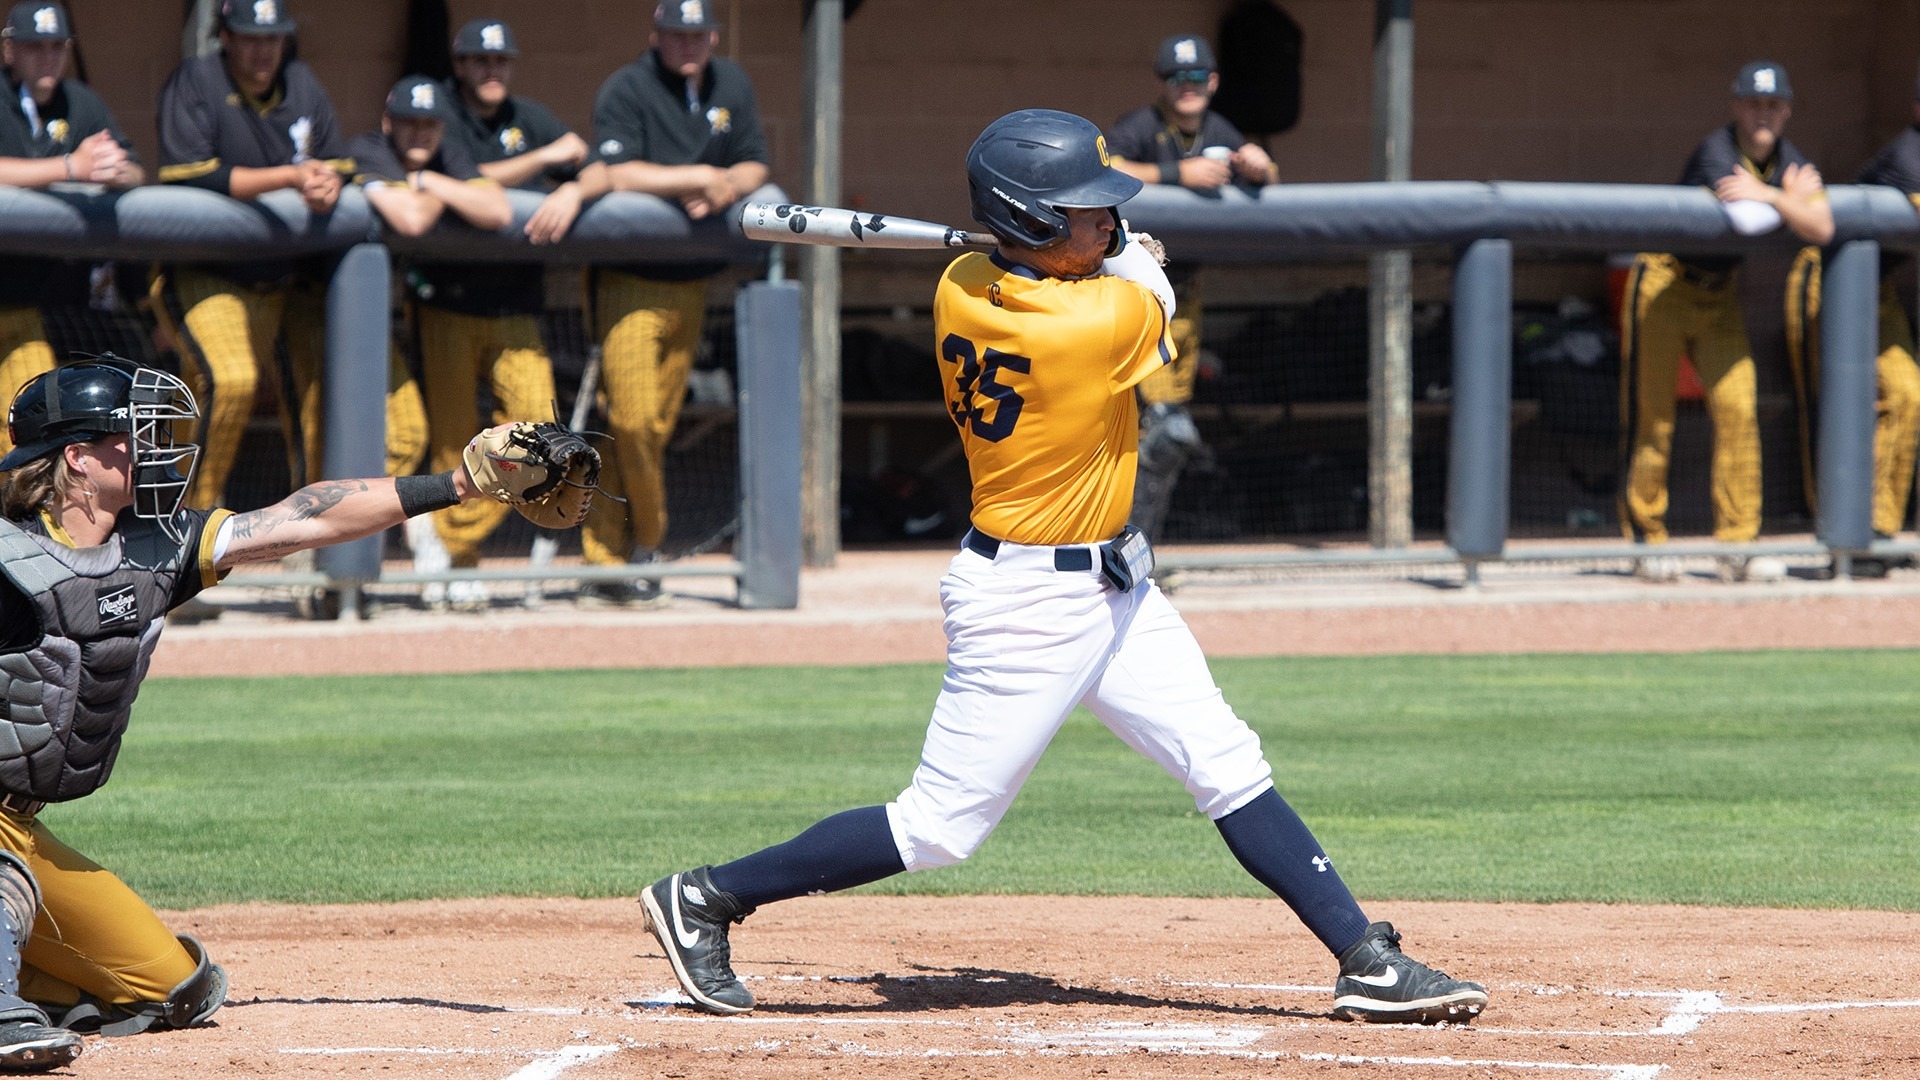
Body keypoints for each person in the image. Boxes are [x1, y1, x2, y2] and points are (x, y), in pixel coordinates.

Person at [639, 109, 1488, 1027]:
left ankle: (1363, 958)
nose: (1106, 220)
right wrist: (1133, 257)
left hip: (1114, 584)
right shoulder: (1085, 326)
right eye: (1084, 211)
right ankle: (705, 898)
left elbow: (1099, 263)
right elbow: (1148, 293)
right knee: (938, 829)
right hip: (1026, 602)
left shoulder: (966, 280)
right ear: (1032, 224)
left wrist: (1107, 247)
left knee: (1225, 761)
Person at [0, 353, 504, 1043]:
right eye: (130, 435)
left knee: (174, 988)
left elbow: (307, 519)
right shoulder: (7, 557)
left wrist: (459, 482)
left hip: (20, 828)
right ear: (78, 459)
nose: (150, 446)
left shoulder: (155, 549)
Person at [153, 0, 427, 511]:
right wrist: (291, 176)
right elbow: (188, 174)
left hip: (283, 280)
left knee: (322, 415)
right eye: (251, 38)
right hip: (206, 269)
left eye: (273, 38)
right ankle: (184, 527)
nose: (263, 50)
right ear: (227, 37)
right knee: (229, 380)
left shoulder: (301, 82)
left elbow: (337, 162)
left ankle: (317, 551)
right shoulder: (196, 78)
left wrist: (327, 181)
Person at [401, 20, 610, 610]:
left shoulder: (529, 114)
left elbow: (595, 168)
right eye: (479, 60)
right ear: (461, 65)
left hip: (517, 303)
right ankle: (457, 564)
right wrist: (546, 161)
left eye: (500, 61)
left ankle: (442, 535)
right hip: (445, 300)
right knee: (450, 443)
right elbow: (471, 180)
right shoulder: (442, 114)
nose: (491, 71)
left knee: (538, 435)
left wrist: (571, 190)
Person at [580, 0, 768, 605]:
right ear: (655, 35)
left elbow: (755, 162)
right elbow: (615, 172)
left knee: (650, 431)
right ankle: (649, 541)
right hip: (629, 280)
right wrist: (696, 179)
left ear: (712, 35)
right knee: (630, 421)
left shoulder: (730, 80)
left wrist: (729, 185)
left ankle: (615, 559)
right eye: (675, 34)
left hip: (693, 283)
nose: (687, 45)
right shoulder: (628, 85)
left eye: (696, 34)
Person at [1618, 61, 1832, 583]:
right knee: (1655, 418)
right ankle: (1648, 540)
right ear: (1737, 106)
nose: (1763, 114)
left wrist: (1773, 195)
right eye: (1754, 103)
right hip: (1665, 283)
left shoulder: (1791, 161)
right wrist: (1785, 201)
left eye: (1773, 104)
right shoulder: (1716, 149)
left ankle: (1738, 545)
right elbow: (1747, 218)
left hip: (1720, 298)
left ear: (1786, 111)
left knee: (1739, 408)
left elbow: (1822, 226)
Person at [347, 73, 519, 611]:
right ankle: (338, 570)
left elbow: (499, 211)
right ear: (387, 123)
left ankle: (394, 558)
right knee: (363, 440)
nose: (420, 132)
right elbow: (413, 220)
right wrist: (432, 191)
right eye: (409, 121)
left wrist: (434, 182)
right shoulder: (368, 148)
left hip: (374, 317)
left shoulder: (446, 156)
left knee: (405, 436)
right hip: (321, 310)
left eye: (430, 122)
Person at [1104, 33, 1275, 540]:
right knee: (1139, 427)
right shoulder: (1142, 126)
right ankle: (1115, 539)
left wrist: (1259, 163)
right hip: (1131, 289)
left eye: (1197, 77)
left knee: (1167, 429)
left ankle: (1138, 544)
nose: (1187, 87)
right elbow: (1106, 168)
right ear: (1163, 84)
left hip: (1184, 291)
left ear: (1213, 82)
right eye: (1177, 78)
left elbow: (1266, 169)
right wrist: (1179, 174)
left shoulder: (1219, 127)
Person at [1782, 80, 1920, 578]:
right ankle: (1834, 541)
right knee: (1830, 409)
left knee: (1907, 395)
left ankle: (1877, 535)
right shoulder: (1907, 156)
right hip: (1827, 280)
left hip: (1877, 293)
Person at [0, 0, 142, 460]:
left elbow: (138, 172)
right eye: (34, 47)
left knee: (29, 425)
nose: (47, 57)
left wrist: (114, 170)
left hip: (31, 304)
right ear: (9, 51)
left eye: (56, 46)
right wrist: (70, 166)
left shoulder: (80, 101)